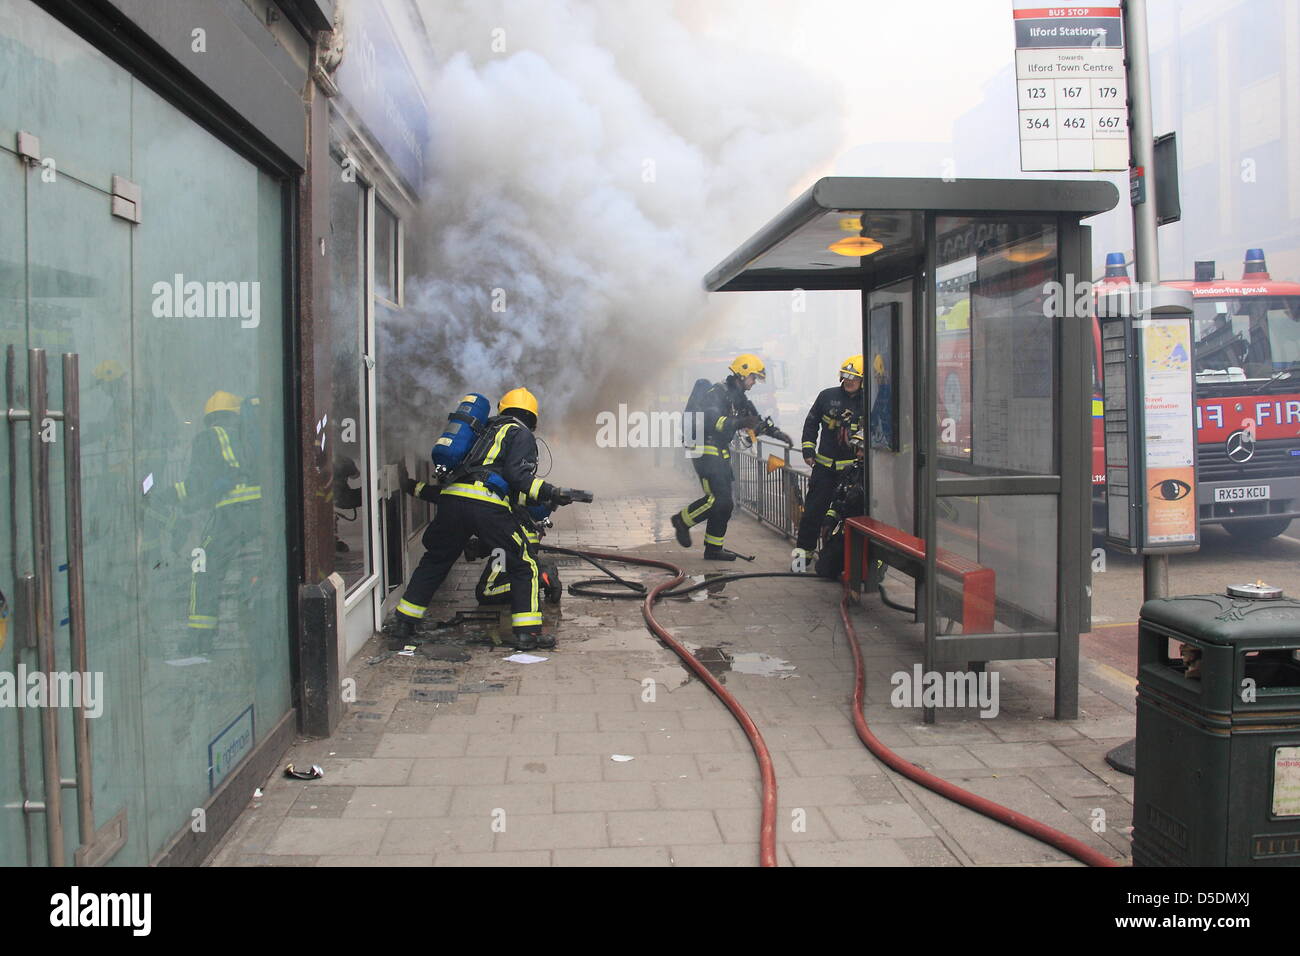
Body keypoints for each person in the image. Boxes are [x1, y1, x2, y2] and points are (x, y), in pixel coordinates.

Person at [389, 388, 578, 650]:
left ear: (503, 409)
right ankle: (527, 635)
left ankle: (404, 623)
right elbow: (517, 477)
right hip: (486, 505)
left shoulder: (480, 431)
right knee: (524, 565)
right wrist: (552, 492)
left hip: (453, 502)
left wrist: (413, 487)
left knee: (435, 561)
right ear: (532, 417)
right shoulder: (520, 433)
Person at [671, 353, 791, 560]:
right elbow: (712, 421)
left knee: (726, 503)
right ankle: (682, 521)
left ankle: (714, 548)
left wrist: (777, 433)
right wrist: (738, 423)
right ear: (742, 373)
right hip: (705, 449)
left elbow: (755, 421)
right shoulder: (716, 393)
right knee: (718, 500)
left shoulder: (740, 398)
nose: (754, 383)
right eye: (753, 377)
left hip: (720, 452)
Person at [170, 390, 262, 641]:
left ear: (209, 418)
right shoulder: (250, 436)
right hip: (262, 513)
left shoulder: (207, 438)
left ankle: (201, 635)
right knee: (255, 564)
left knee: (204, 567)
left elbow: (197, 483)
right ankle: (257, 615)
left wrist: (170, 494)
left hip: (230, 515)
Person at [793, 355, 865, 570]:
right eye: (846, 376)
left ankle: (839, 563)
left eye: (854, 377)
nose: (849, 380)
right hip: (824, 470)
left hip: (852, 475)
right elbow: (811, 424)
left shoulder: (867, 402)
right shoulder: (827, 396)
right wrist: (808, 448)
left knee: (845, 518)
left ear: (862, 380)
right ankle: (799, 563)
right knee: (811, 516)